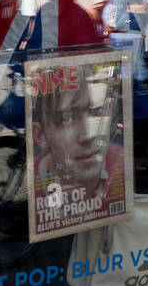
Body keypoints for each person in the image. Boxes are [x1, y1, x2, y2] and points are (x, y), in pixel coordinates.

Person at [31, 65, 124, 204]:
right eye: (66, 119)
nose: (87, 136)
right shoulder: (30, 186)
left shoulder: (124, 166)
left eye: (96, 111)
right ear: (41, 136)